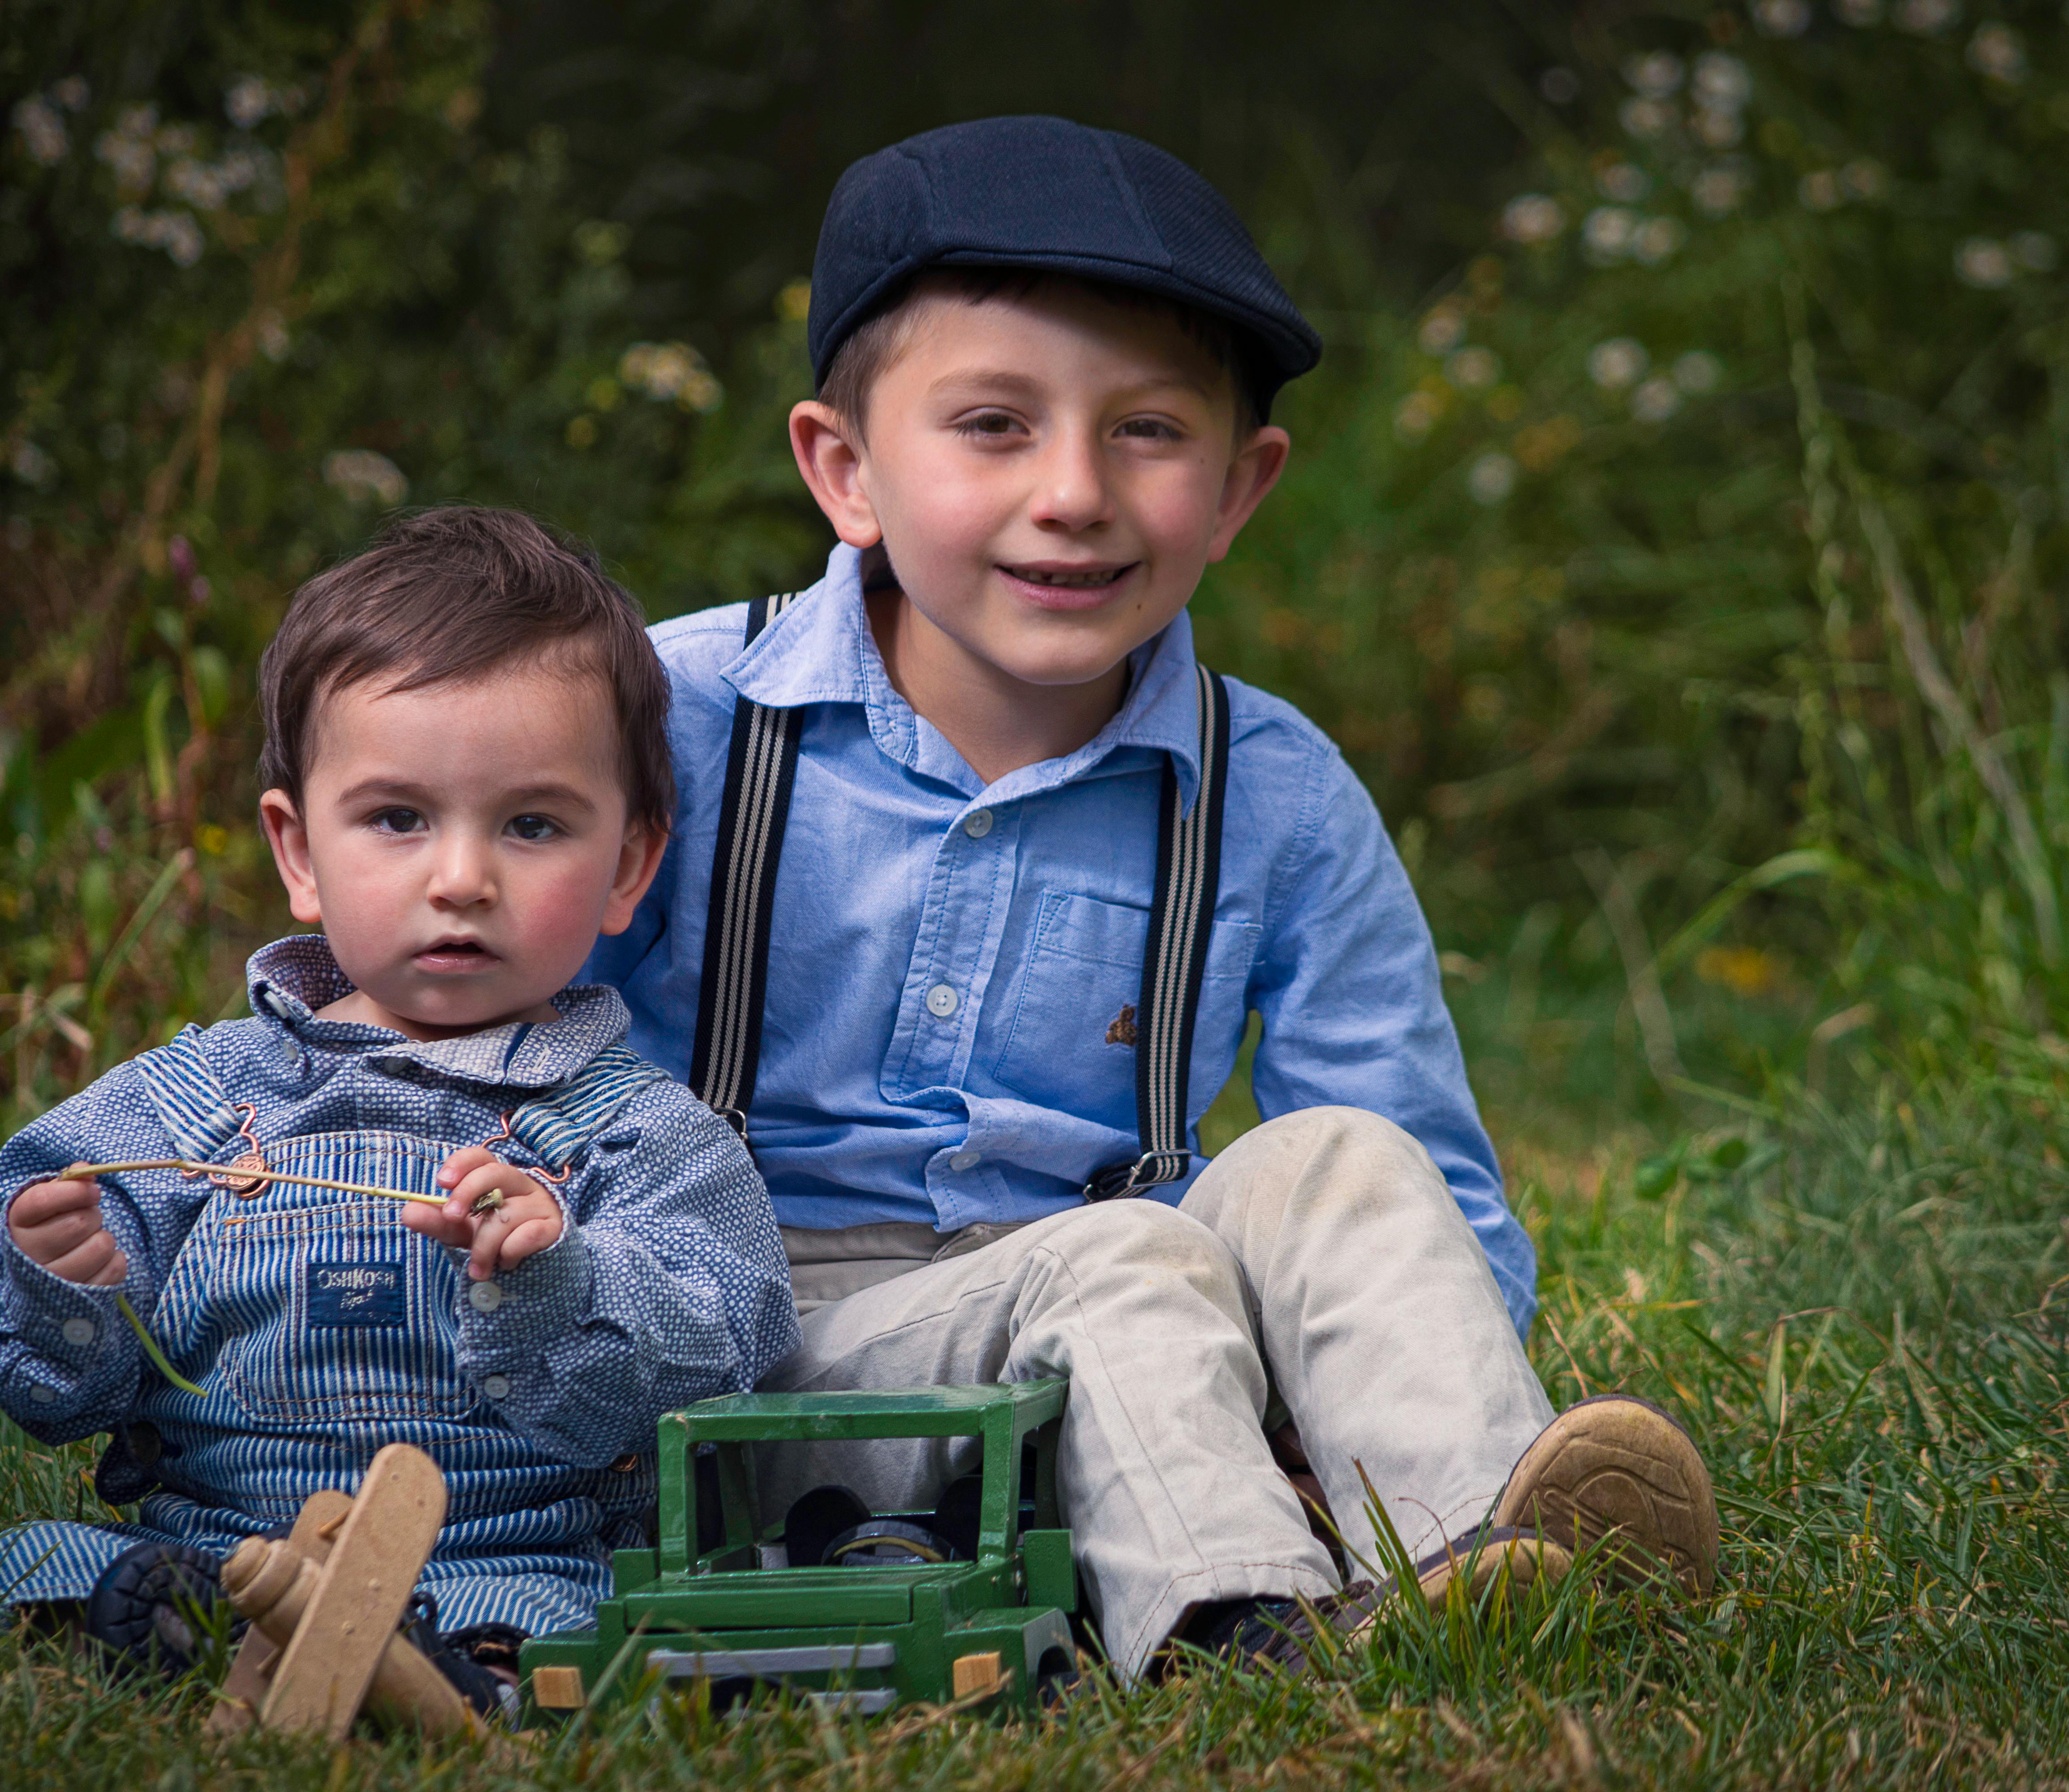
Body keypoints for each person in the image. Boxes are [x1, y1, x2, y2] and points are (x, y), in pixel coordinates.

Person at [586, 116, 1718, 1680]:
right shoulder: (669, 711)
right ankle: (1243, 1629)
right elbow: (472, 1000)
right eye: (993, 425)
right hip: (774, 1358)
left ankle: (1480, 1544)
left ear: (1242, 488)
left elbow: (1431, 1181)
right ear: (844, 470)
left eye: (1150, 433)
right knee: (1128, 1253)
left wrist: (1340, 1387)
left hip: (1141, 1354)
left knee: (1342, 1154)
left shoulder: (1274, 786)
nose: (1075, 494)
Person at [0, 508, 797, 1702]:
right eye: (398, 819)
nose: (461, 879)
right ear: (298, 852)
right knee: (29, 1566)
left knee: (550, 1625)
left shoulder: (635, 1130)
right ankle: (192, 1623)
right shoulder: (193, 1105)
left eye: (533, 825)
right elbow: (41, 1384)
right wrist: (62, 1271)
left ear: (629, 867)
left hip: (506, 1549)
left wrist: (564, 1274)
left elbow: (734, 1331)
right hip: (228, 1538)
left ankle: (444, 1668)